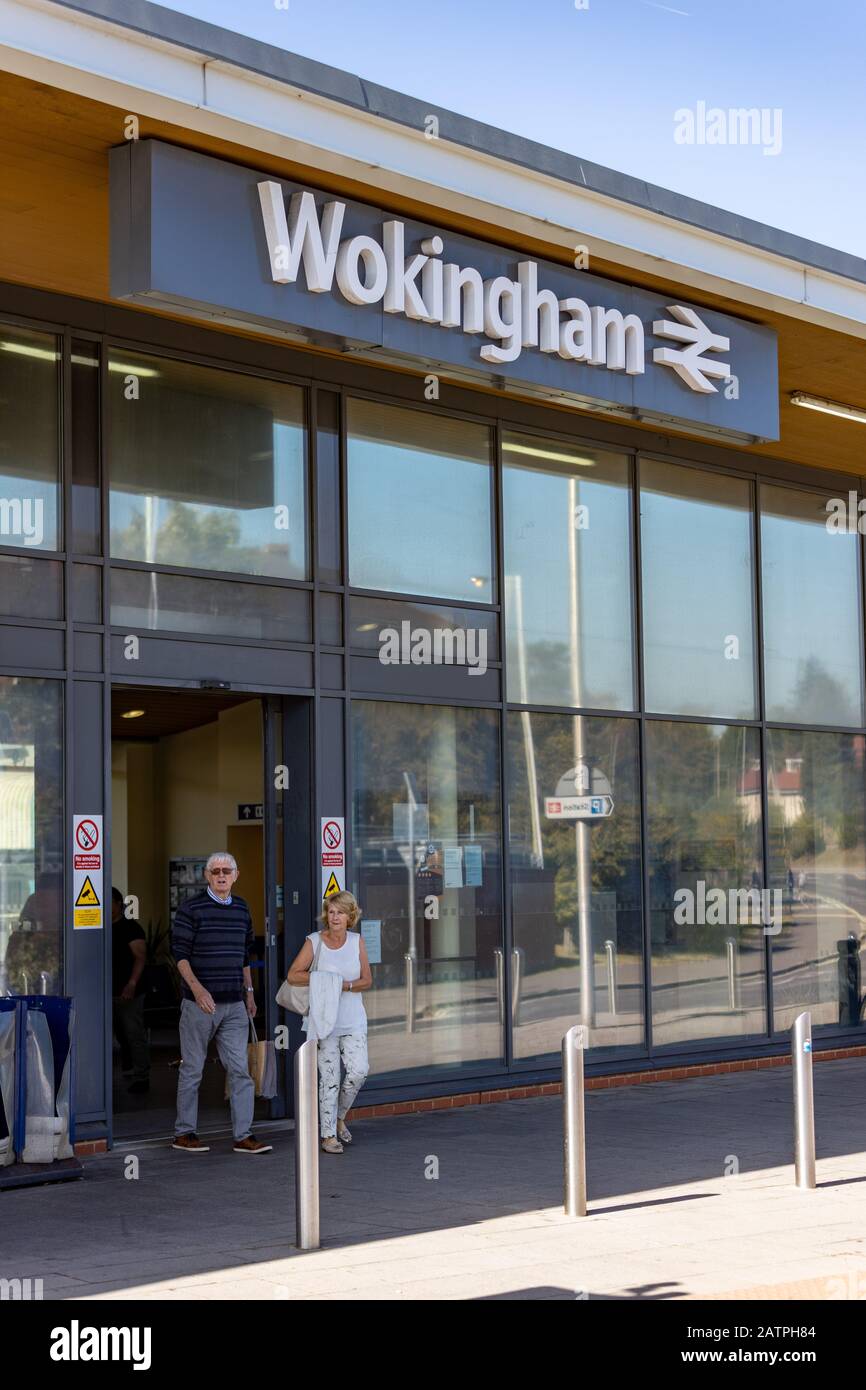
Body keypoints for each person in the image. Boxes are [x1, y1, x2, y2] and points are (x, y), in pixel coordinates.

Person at [170, 852, 272, 1155]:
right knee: (192, 1068)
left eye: (227, 870)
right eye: (215, 871)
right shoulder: (191, 909)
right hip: (199, 1004)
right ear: (206, 876)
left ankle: (243, 1135)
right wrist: (198, 990)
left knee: (240, 1070)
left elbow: (244, 954)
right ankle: (184, 1133)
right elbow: (180, 954)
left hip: (234, 1004)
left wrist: (250, 991)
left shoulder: (242, 908)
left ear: (236, 875)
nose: (221, 875)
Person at [286, 890, 372, 1154]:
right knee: (330, 1079)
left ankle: (339, 1116)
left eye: (340, 912)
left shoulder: (356, 941)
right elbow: (293, 975)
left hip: (353, 1019)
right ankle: (327, 1135)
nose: (335, 917)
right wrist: (323, 980)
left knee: (359, 1071)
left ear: (350, 916)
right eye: (331, 912)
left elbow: (367, 980)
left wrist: (343, 985)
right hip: (324, 1021)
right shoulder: (315, 941)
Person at [111, 887, 150, 1094]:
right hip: (107, 991)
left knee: (133, 1032)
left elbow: (140, 957)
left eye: (111, 903)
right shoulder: (97, 926)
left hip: (129, 992)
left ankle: (141, 1076)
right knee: (120, 1032)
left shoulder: (131, 928)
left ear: (119, 904)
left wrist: (132, 984)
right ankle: (127, 1068)